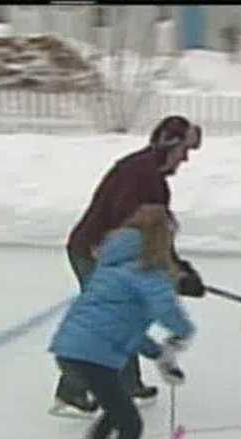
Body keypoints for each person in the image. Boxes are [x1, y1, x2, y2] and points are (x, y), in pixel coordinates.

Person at [48, 204, 196, 439]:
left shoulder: (112, 266)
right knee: (129, 422)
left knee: (117, 412)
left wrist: (160, 355)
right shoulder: (145, 273)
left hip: (72, 350)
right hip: (92, 355)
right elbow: (167, 311)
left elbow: (124, 327)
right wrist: (183, 333)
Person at [51, 115, 206, 417]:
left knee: (128, 311)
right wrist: (173, 275)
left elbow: (156, 236)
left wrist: (181, 270)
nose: (185, 158)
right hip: (93, 252)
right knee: (111, 316)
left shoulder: (152, 179)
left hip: (109, 253)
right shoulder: (139, 177)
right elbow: (132, 236)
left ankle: (127, 383)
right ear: (168, 147)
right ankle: (71, 392)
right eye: (183, 150)